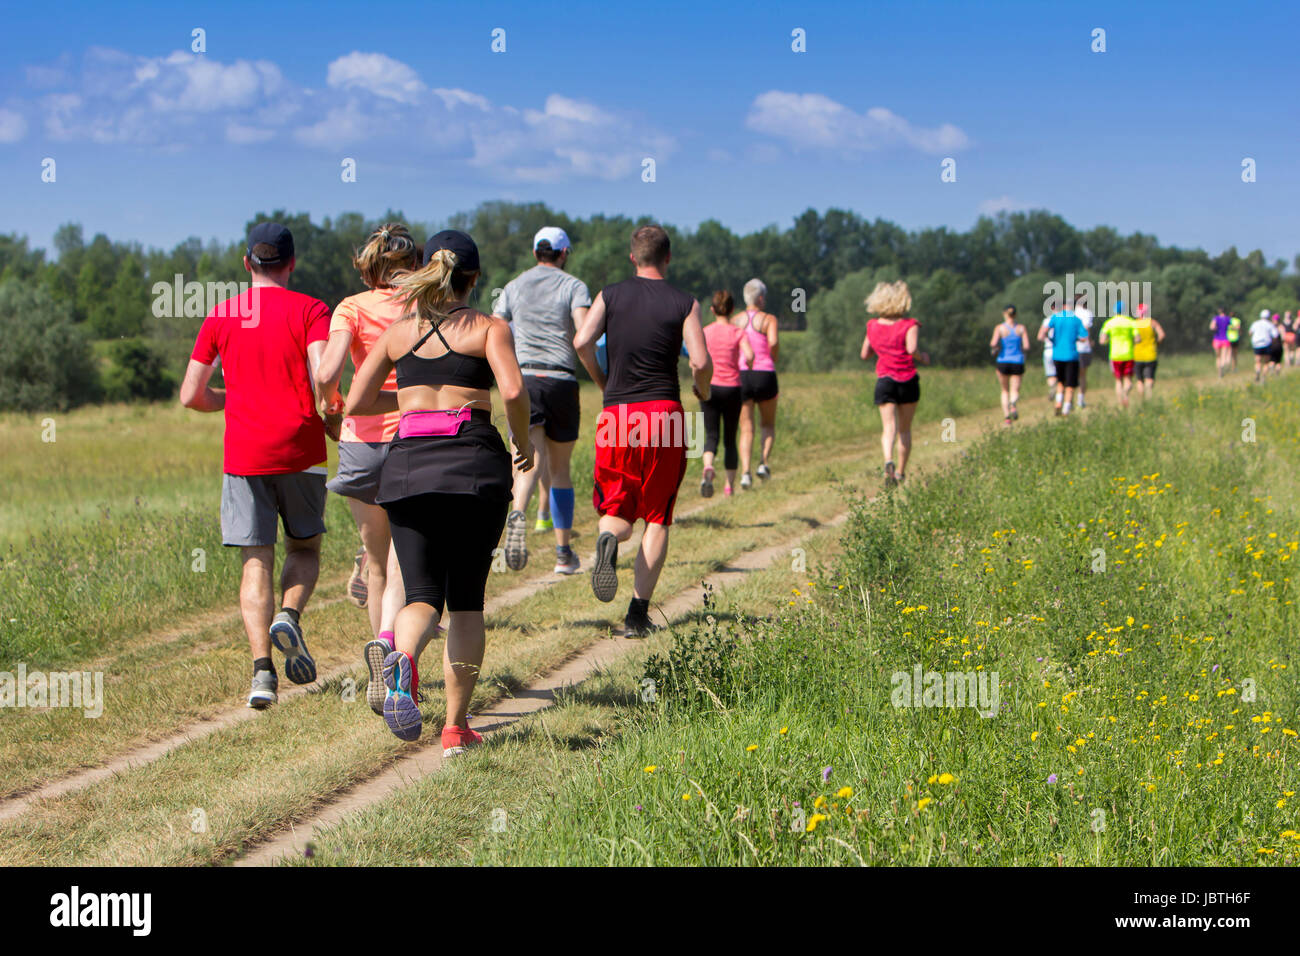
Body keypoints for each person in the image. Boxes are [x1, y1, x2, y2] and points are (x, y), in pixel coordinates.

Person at [346, 231, 533, 753]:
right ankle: (455, 729)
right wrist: (521, 441)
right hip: (474, 468)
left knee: (422, 594)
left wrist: (414, 408)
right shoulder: (488, 327)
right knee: (467, 600)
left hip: (407, 471)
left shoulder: (399, 332)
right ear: (474, 278)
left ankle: (402, 659)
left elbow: (357, 402)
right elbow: (514, 390)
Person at [180, 222, 331, 709]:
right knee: (304, 548)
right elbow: (321, 376)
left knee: (255, 560)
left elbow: (191, 395)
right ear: (291, 263)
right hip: (301, 450)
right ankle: (289, 614)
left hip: (245, 455)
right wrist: (334, 418)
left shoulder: (222, 315)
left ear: (247, 263)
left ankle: (262, 673)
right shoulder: (311, 310)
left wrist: (228, 398)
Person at [573, 225, 711, 636]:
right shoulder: (684, 302)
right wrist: (701, 391)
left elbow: (582, 341)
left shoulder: (610, 294)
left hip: (618, 414)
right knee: (658, 516)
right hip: (664, 415)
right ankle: (636, 616)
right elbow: (700, 362)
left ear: (633, 258)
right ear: (668, 258)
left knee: (616, 508)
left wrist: (603, 382)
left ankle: (610, 542)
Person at [315, 223, 418, 715]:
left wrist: (330, 405)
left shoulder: (350, 308)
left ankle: (379, 663)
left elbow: (326, 370)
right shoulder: (422, 306)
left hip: (360, 443)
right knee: (404, 558)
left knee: (375, 563)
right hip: (412, 439)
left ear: (369, 266)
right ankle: (390, 646)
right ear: (414, 267)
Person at [494, 226, 592, 575]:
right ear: (564, 253)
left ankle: (519, 512)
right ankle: (563, 554)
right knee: (561, 470)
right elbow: (584, 336)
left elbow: (497, 329)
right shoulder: (574, 286)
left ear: (536, 252)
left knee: (527, 462)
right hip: (561, 379)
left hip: (524, 380)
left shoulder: (513, 286)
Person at [861, 280, 929, 485]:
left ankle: (888, 460)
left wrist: (880, 347)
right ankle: (900, 473)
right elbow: (911, 349)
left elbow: (864, 354)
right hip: (907, 379)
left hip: (885, 380)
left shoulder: (872, 325)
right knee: (905, 430)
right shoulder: (910, 324)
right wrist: (923, 357)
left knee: (888, 427)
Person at [699, 290, 755, 496]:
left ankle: (708, 466)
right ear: (732, 310)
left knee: (711, 434)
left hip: (711, 387)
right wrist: (748, 364)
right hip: (733, 388)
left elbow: (697, 358)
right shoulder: (738, 333)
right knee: (730, 438)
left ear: (712, 310)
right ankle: (729, 486)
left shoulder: (705, 332)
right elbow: (749, 355)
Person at [731, 279, 779, 489]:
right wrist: (772, 356)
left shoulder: (735, 320)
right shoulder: (769, 319)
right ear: (760, 298)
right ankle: (764, 463)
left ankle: (745, 473)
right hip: (765, 373)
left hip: (743, 374)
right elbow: (774, 342)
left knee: (746, 428)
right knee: (767, 424)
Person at [1038, 300, 1087, 415]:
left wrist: (1051, 340)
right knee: (1070, 384)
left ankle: (1058, 402)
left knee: (1060, 381)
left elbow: (1042, 333)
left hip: (1057, 354)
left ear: (1063, 306)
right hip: (1071, 355)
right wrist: (1076, 339)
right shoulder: (1076, 320)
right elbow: (1084, 337)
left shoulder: (1055, 317)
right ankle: (1066, 409)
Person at [990, 305, 1029, 425]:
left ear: (1004, 314)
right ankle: (1013, 404)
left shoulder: (1000, 328)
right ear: (1015, 314)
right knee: (1015, 389)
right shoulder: (1021, 328)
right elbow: (1027, 346)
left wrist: (996, 348)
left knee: (1004, 390)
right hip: (1017, 361)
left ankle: (1007, 417)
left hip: (1003, 361)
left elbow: (993, 343)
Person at [1099, 301, 1138, 411]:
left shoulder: (1109, 323)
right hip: (1128, 354)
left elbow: (1102, 340)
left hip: (1115, 355)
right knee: (1128, 379)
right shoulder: (1130, 322)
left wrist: (1109, 340)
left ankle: (1120, 402)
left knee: (1118, 380)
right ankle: (1126, 394)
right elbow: (1137, 338)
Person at [1131, 303, 1165, 400]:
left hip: (1137, 355)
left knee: (1139, 380)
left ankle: (1142, 401)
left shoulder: (1134, 324)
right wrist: (1157, 343)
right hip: (1151, 354)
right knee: (1149, 379)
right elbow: (1162, 335)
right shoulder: (1153, 322)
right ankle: (1149, 399)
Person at [1073, 294, 1094, 408]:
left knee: (1071, 375)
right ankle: (1080, 400)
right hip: (1083, 348)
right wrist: (1089, 341)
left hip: (1070, 347)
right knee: (1082, 375)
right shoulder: (1087, 313)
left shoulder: (1070, 313)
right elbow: (1086, 330)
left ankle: (1068, 400)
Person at [1247, 308, 1280, 382]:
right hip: (1266, 344)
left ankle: (1258, 372)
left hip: (1256, 344)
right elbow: (1275, 335)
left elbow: (1250, 332)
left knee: (1257, 361)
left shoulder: (1255, 323)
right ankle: (1263, 377)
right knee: (1266, 362)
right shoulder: (1269, 324)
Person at [1210, 309, 1232, 377]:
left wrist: (1215, 328)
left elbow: (1212, 327)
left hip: (1217, 339)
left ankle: (1219, 371)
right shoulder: (1228, 319)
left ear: (1219, 311)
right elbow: (1232, 327)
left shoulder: (1216, 318)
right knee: (1223, 356)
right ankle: (1222, 366)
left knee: (1218, 357)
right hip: (1225, 339)